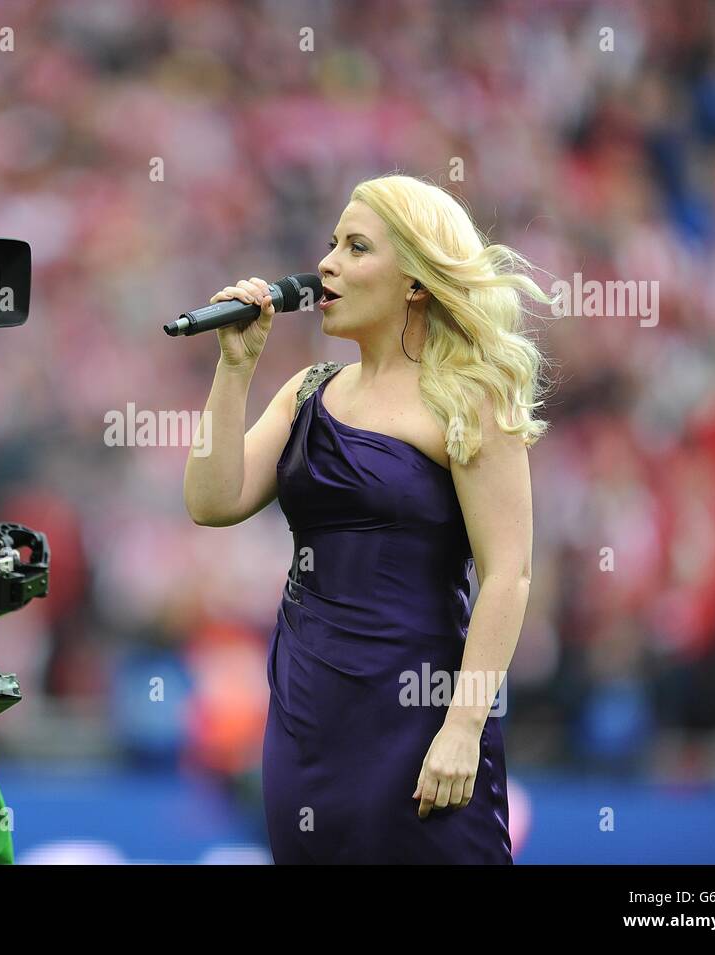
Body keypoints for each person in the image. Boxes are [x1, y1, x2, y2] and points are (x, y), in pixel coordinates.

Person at [183, 174, 548, 863]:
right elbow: (212, 499)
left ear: (415, 281)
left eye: (356, 247)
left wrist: (464, 725)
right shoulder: (308, 392)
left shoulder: (470, 400)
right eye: (331, 245)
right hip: (308, 707)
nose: (326, 264)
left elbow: (509, 573)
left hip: (422, 709)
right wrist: (235, 368)